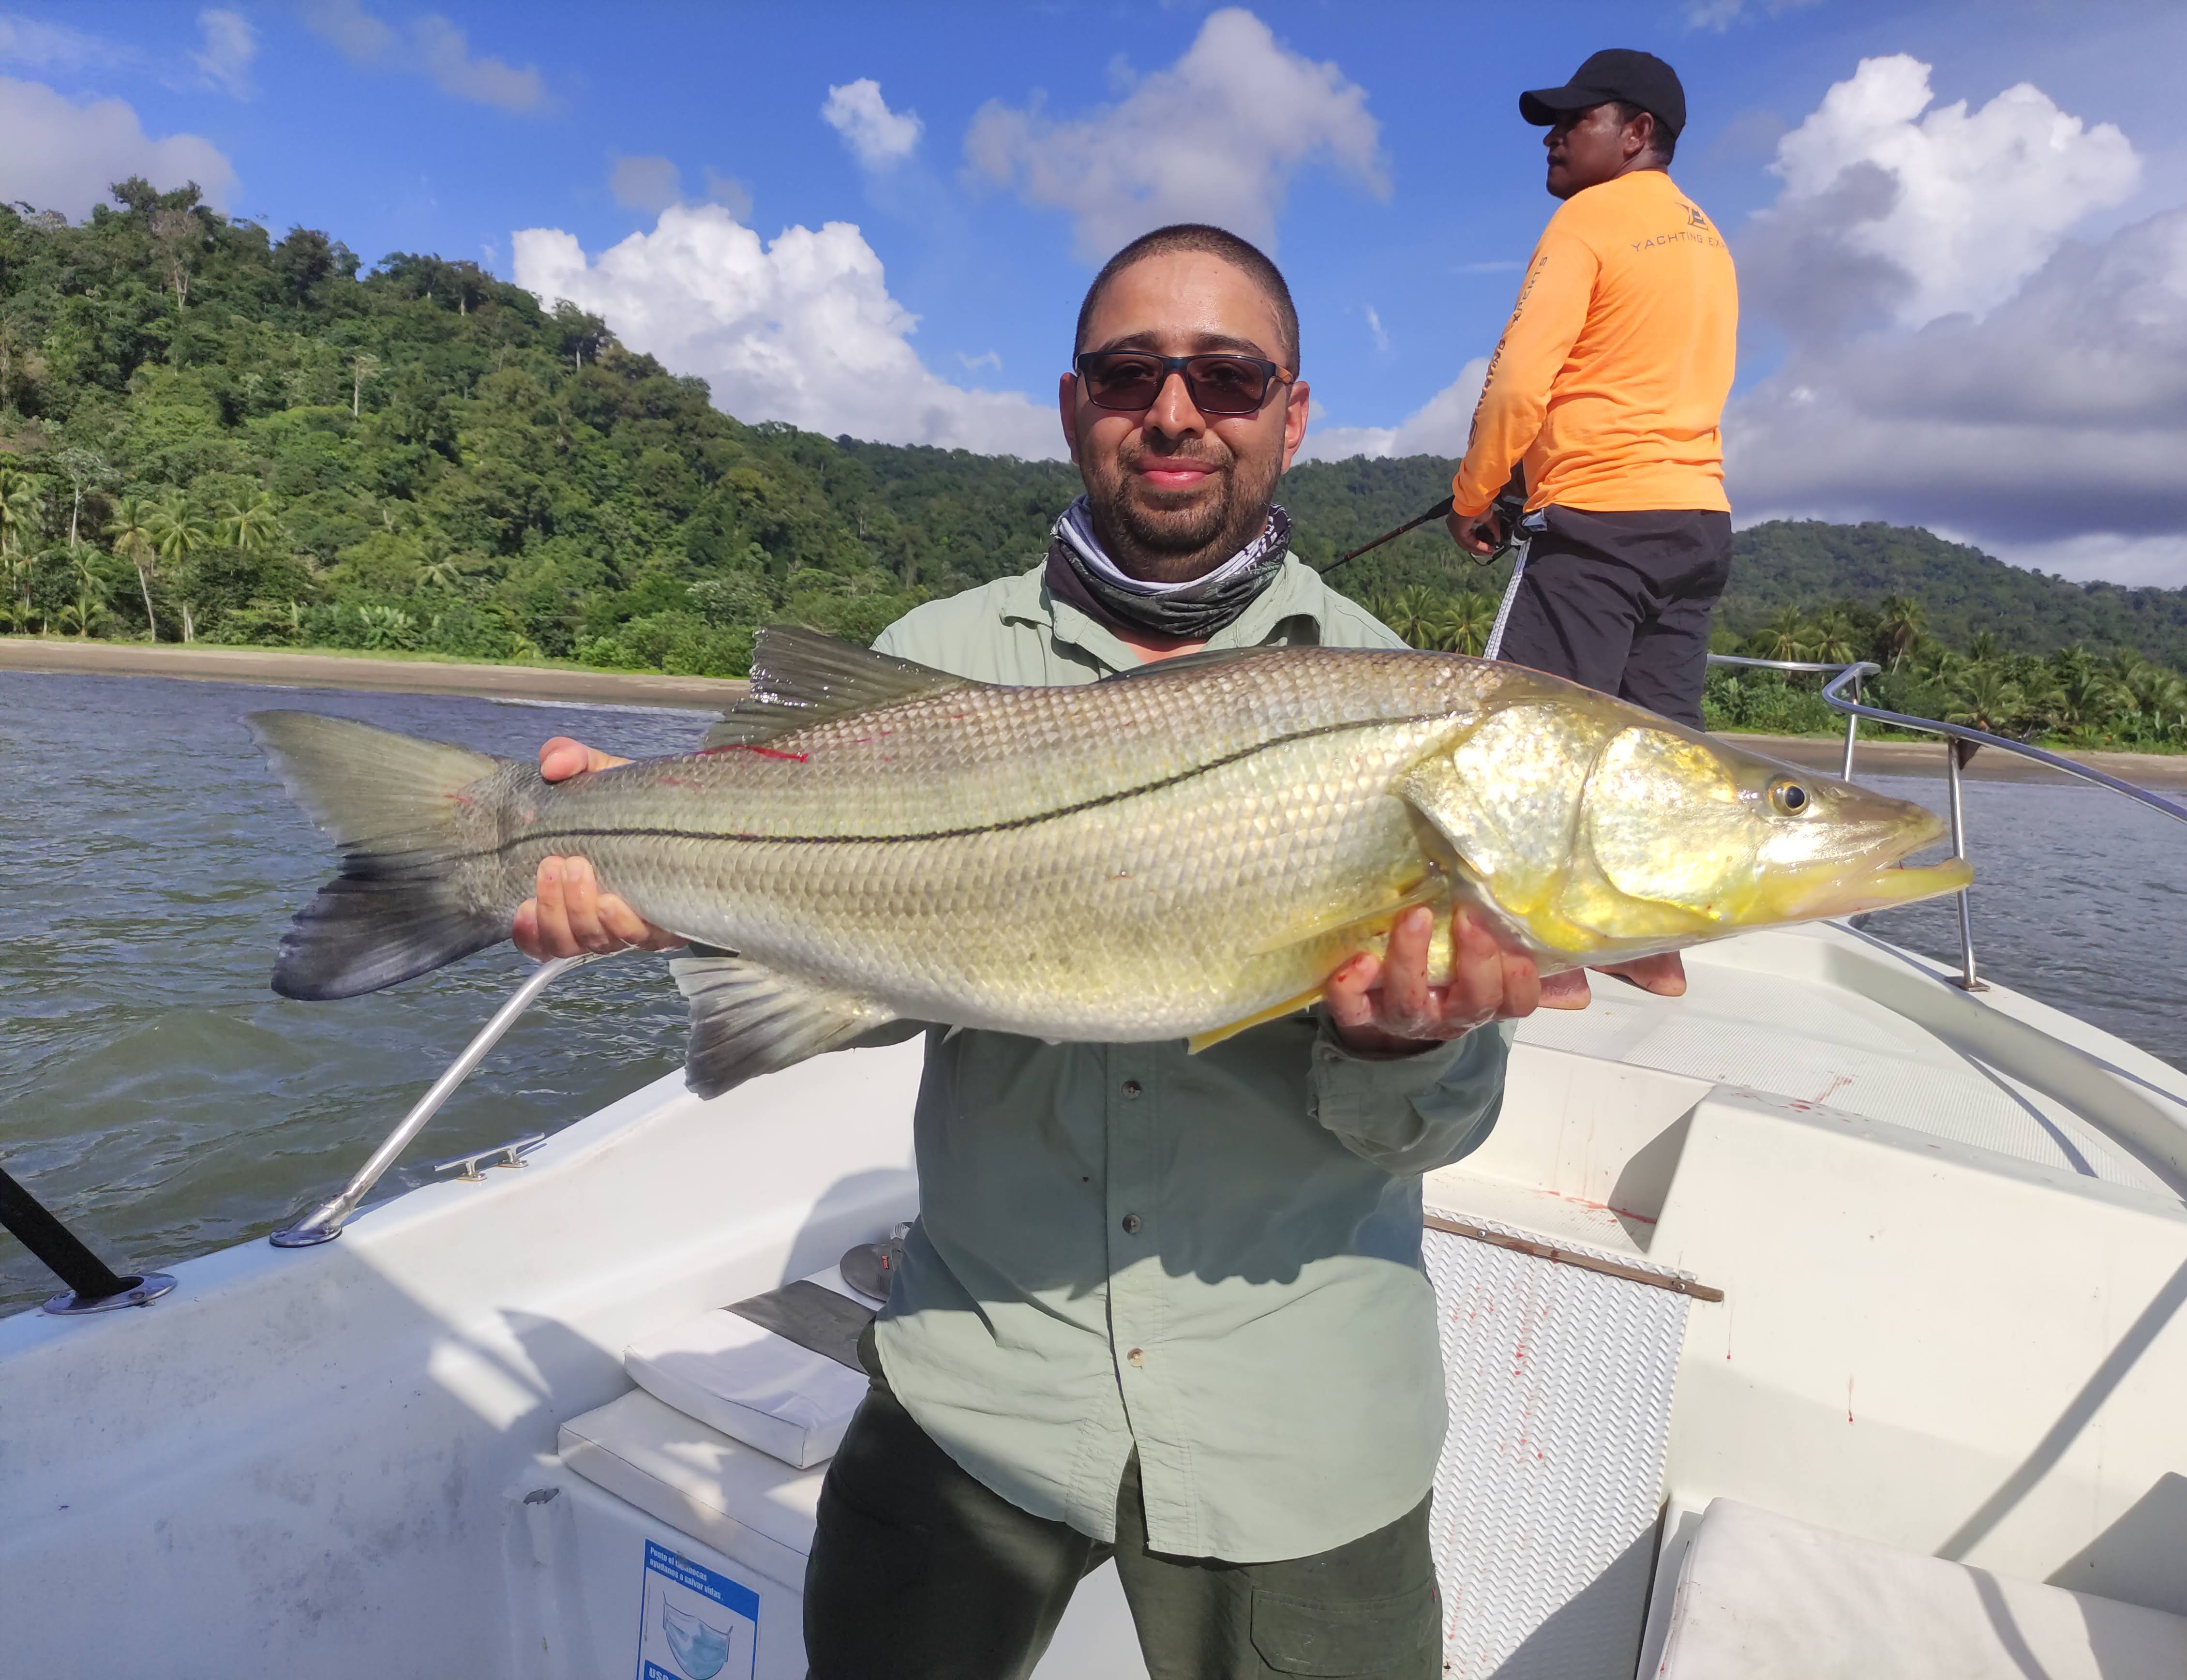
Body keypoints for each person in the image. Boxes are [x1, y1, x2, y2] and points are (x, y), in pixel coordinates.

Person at [514, 225, 1544, 1680]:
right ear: (1075, 408)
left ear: (1293, 415)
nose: (1176, 412)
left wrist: (1414, 1043)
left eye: (1229, 378)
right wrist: (668, 879)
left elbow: (1444, 1126)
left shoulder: (1413, 709)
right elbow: (866, 988)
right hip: (974, 1388)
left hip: (1304, 1429)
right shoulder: (938, 651)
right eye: (1132, 375)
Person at [1446, 47, 1738, 1002]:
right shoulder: (1706, 238)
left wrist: (1472, 494)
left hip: (1599, 522)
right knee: (1657, 745)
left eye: (1575, 119)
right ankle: (1649, 948)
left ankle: (1550, 965)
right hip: (1696, 523)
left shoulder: (1587, 220)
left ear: (1636, 134)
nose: (1553, 133)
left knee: (1528, 736)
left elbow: (1523, 378)